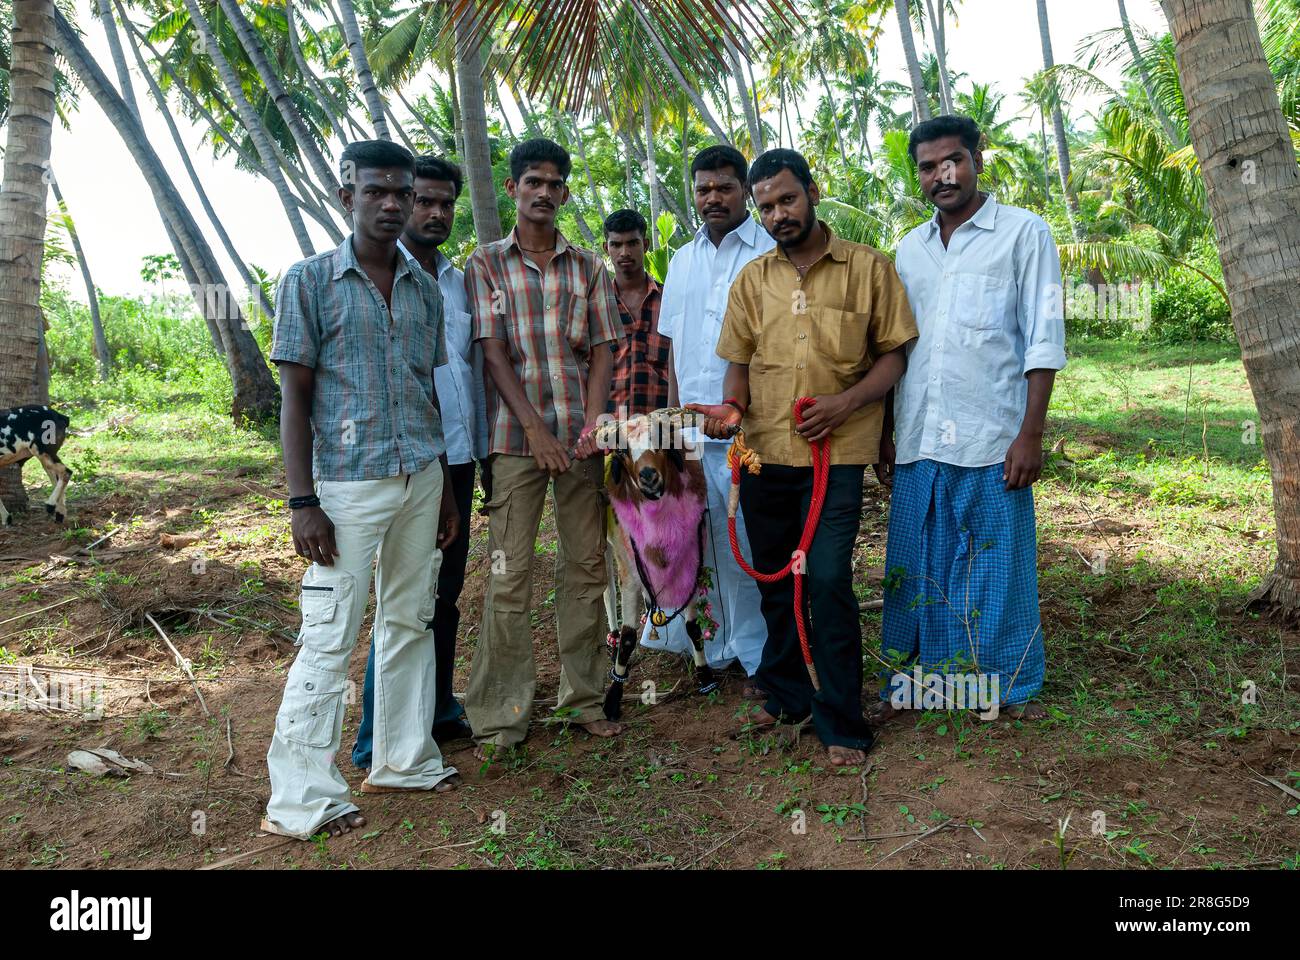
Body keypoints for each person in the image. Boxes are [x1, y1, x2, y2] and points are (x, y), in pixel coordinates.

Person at [691, 149, 918, 766]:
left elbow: (894, 356)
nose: (777, 214)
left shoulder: (869, 269)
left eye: (786, 200)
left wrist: (845, 404)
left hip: (837, 456)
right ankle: (786, 694)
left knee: (825, 580)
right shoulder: (753, 280)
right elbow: (736, 363)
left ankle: (842, 719)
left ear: (812, 192)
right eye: (765, 206)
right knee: (774, 579)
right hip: (763, 456)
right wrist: (730, 412)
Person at [262, 140, 461, 841]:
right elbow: (295, 399)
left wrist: (442, 488)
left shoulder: (425, 288)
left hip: (421, 477)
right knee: (328, 636)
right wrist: (301, 501)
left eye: (401, 192)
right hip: (346, 489)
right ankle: (302, 798)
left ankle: (404, 759)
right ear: (346, 196)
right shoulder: (310, 281)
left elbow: (425, 391)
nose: (391, 203)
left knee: (409, 620)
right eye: (375, 190)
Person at [877, 115, 1066, 723]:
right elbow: (895, 349)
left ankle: (1004, 684)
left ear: (977, 158)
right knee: (921, 560)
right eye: (929, 167)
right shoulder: (909, 249)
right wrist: (885, 432)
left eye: (952, 160)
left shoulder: (1024, 234)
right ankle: (929, 680)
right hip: (918, 436)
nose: (943, 175)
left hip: (993, 437)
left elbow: (1042, 340)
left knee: (995, 563)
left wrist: (1030, 434)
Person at [464, 138, 623, 761]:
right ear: (513, 189)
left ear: (565, 193)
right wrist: (534, 430)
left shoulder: (588, 268)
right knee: (509, 575)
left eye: (556, 184)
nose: (545, 192)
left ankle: (582, 700)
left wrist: (590, 426)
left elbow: (605, 349)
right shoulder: (484, 264)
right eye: (534, 181)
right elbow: (492, 350)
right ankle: (502, 718)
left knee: (585, 569)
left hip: (581, 443)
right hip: (515, 439)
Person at [351, 156, 483, 770]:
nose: (434, 213)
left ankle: (437, 709)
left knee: (444, 594)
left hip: (455, 460)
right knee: (400, 602)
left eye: (444, 204)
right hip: (393, 462)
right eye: (422, 201)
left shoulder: (460, 281)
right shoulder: (372, 279)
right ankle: (378, 735)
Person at [650, 144, 774, 692]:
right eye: (703, 189)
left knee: (750, 538)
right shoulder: (682, 259)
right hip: (694, 429)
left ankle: (760, 654)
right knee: (703, 540)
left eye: (724, 187)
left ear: (744, 190)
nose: (713, 198)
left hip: (753, 427)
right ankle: (715, 647)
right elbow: (675, 347)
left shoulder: (770, 250)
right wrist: (675, 422)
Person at [601, 208, 670, 417]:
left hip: (662, 429)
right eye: (616, 244)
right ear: (606, 248)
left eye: (632, 243)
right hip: (610, 429)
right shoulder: (597, 306)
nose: (624, 253)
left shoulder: (669, 300)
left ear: (645, 245)